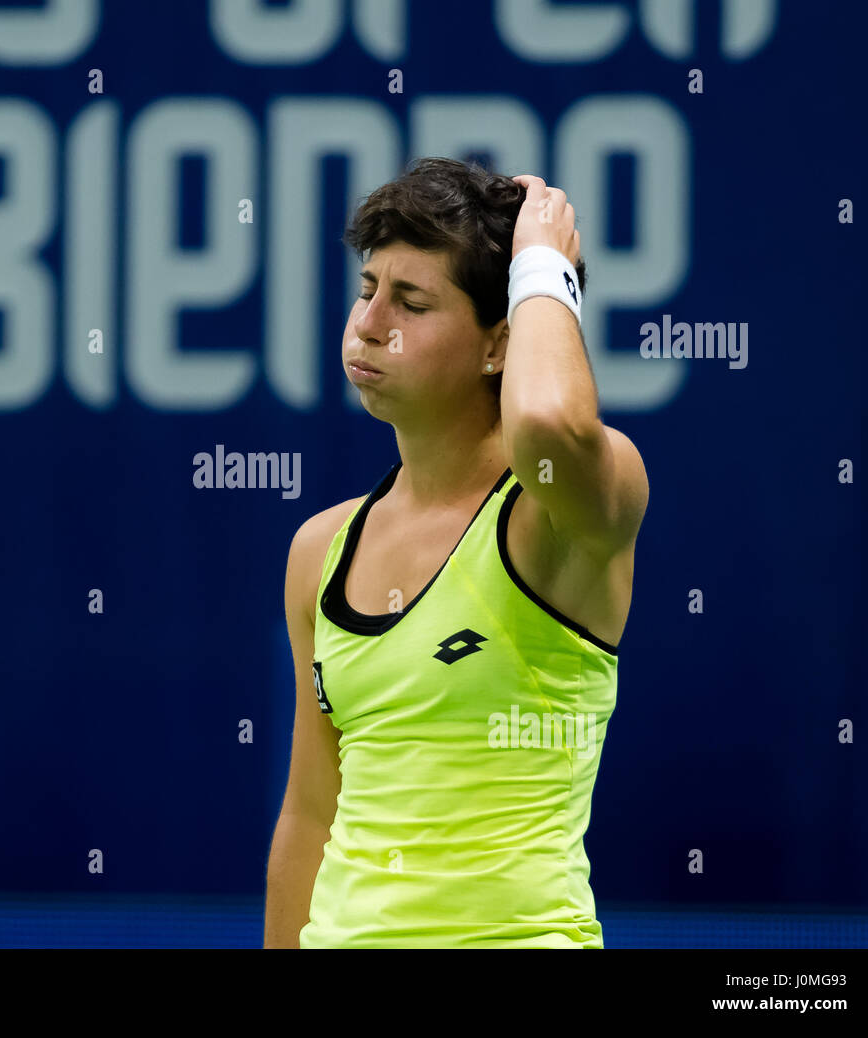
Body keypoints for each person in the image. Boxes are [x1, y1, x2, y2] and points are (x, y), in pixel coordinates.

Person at [263, 157, 649, 948]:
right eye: (368, 288)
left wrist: (542, 265)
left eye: (411, 301)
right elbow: (309, 813)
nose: (369, 323)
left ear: (498, 346)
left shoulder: (558, 515)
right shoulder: (319, 552)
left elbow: (545, 423)